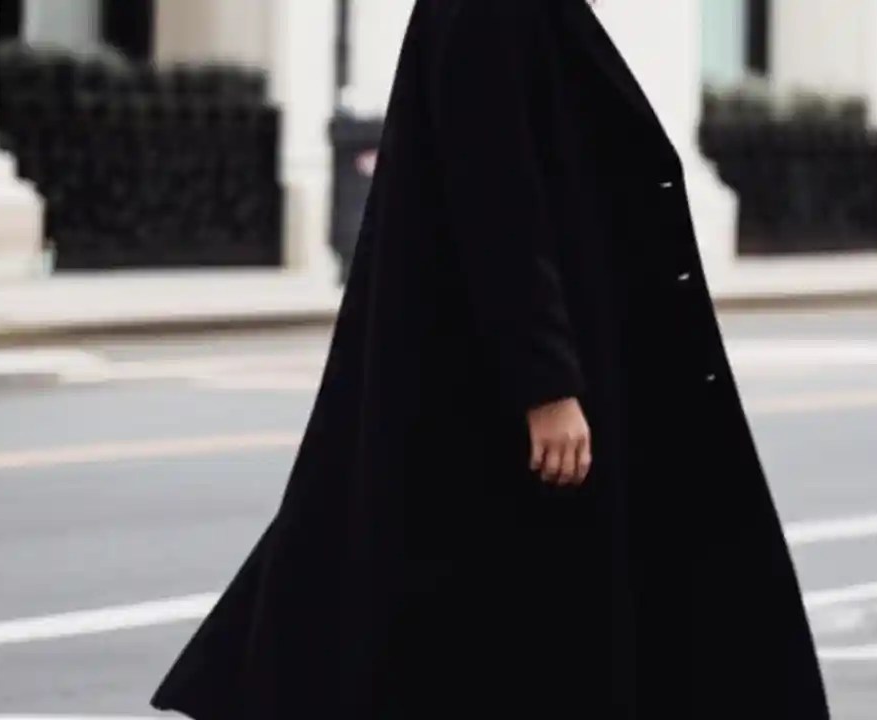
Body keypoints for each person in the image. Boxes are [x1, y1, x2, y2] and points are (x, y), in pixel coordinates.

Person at [150, 0, 830, 717]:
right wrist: (547, 385)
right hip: (500, 382)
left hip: (528, 369)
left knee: (455, 609)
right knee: (431, 613)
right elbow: (496, 193)